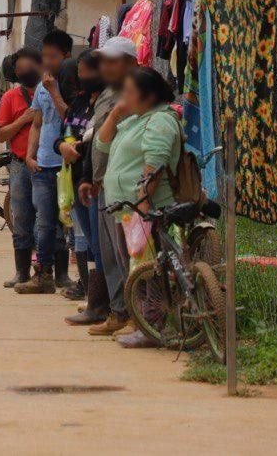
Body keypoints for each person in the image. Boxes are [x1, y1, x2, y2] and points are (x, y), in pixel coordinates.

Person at [94, 65, 182, 349]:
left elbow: (154, 164)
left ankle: (152, 328)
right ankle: (144, 323)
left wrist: (144, 206)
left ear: (148, 95)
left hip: (149, 209)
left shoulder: (160, 120)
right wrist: (117, 112)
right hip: (128, 210)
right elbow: (102, 143)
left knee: (149, 270)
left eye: (130, 93)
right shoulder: (135, 119)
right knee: (136, 269)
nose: (125, 97)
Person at [82, 36, 139, 335]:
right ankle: (118, 311)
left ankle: (137, 315)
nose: (104, 66)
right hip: (105, 181)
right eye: (102, 61)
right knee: (111, 253)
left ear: (131, 62)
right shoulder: (109, 92)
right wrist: (89, 177)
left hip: (127, 183)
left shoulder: (140, 90)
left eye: (112, 61)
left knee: (129, 252)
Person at [16, 32, 76, 294]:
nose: (48, 62)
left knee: (66, 221)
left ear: (67, 56)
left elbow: (70, 118)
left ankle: (64, 275)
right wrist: (30, 155)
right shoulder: (41, 87)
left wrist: (54, 90)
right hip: (42, 164)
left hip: (66, 164)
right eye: (45, 56)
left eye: (54, 56)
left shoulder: (71, 83)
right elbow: (36, 124)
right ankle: (43, 274)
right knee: (44, 221)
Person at [55, 53, 102, 307]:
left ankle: (100, 302)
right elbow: (63, 135)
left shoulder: (105, 103)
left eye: (87, 71)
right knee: (85, 238)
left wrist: (77, 150)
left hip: (94, 180)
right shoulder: (79, 104)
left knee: (97, 243)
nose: (83, 77)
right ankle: (94, 299)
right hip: (76, 181)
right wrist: (63, 146)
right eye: (79, 72)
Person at [0, 48, 41, 287]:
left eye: (28, 68)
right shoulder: (10, 98)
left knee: (47, 219)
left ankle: (49, 272)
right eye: (19, 69)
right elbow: (1, 134)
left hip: (48, 166)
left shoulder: (50, 92)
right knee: (21, 217)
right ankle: (22, 272)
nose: (23, 72)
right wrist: (23, 119)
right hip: (20, 165)